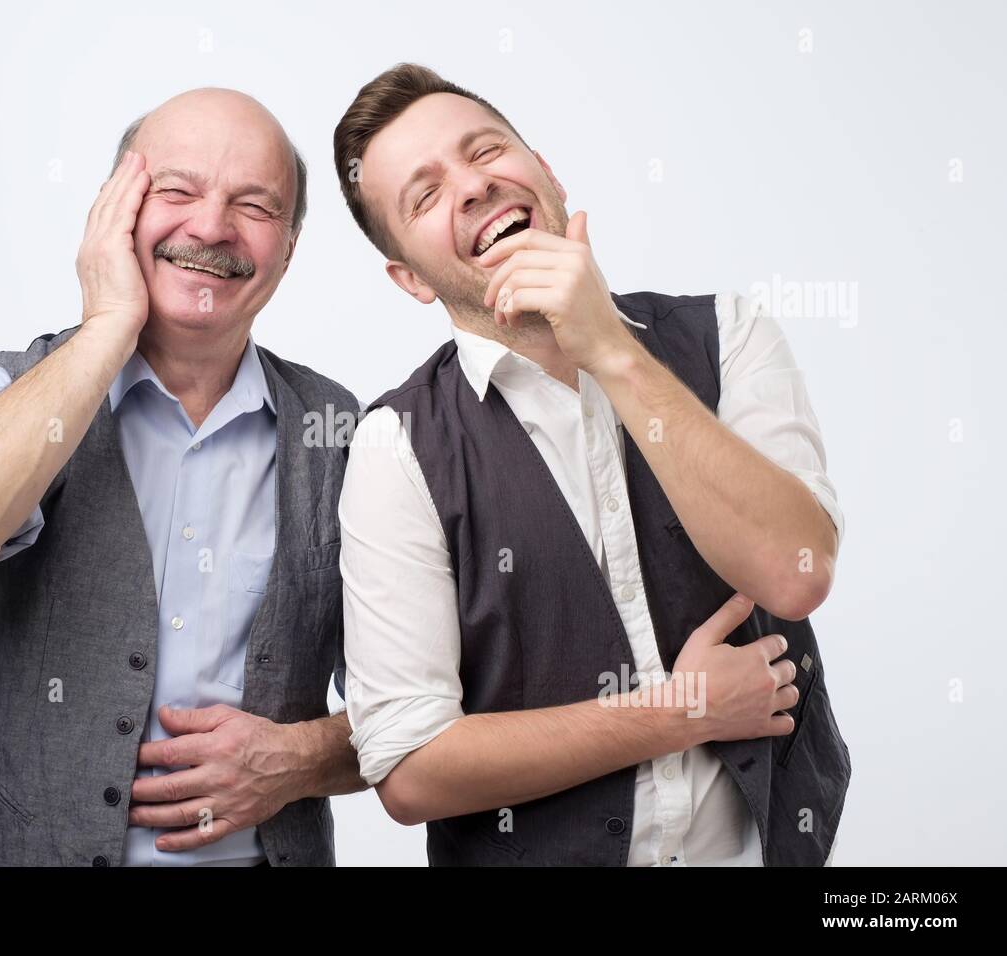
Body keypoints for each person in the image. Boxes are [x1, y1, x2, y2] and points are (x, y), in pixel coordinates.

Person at [332, 63, 849, 865]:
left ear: (547, 173)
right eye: (425, 195)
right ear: (408, 279)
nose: (471, 186)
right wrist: (682, 712)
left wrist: (610, 349)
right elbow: (410, 767)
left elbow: (797, 572)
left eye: (486, 150)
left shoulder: (730, 334)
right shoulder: (395, 446)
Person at [0, 88, 365, 867]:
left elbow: (424, 706)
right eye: (175, 191)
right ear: (114, 211)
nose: (210, 227)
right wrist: (109, 324)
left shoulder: (346, 433)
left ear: (291, 245)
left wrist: (303, 756)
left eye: (255, 205)